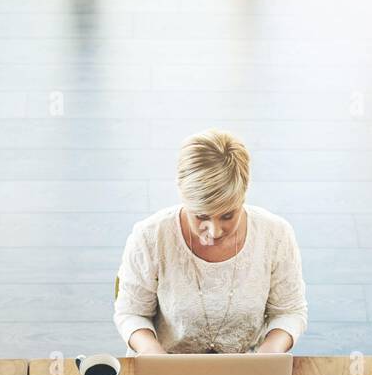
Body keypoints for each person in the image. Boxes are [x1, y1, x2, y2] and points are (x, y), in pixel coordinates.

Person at [113, 128, 307, 355]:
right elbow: (132, 313)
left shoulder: (276, 234)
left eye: (228, 215)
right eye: (201, 216)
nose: (214, 232)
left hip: (249, 365)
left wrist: (269, 352)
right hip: (168, 364)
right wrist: (151, 352)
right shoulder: (150, 236)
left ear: (243, 195)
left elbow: (289, 311)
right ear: (183, 196)